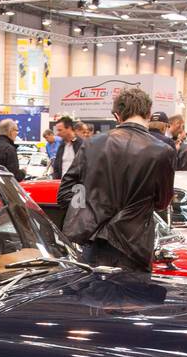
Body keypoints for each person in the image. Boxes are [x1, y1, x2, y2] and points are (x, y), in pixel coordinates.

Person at [57, 85, 174, 271]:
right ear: (149, 114)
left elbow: (65, 193)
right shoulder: (163, 151)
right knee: (133, 298)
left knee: (92, 296)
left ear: (117, 115)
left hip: (95, 242)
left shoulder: (92, 145)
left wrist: (91, 208)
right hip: (135, 245)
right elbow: (162, 202)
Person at [51, 115, 82, 180]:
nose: (57, 134)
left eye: (60, 130)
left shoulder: (82, 145)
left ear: (69, 128)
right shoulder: (61, 146)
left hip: (77, 187)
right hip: (63, 186)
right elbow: (56, 168)